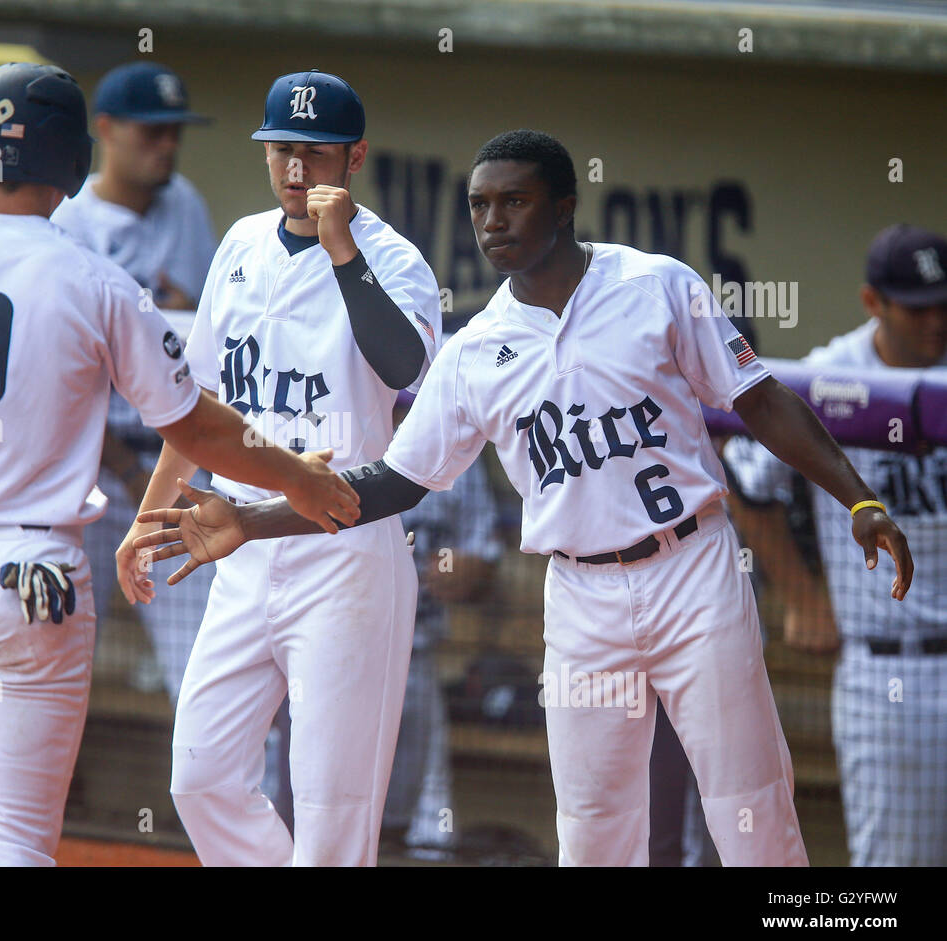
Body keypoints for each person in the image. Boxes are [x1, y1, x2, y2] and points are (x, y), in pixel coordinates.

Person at [133, 129, 916, 867]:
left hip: (692, 570)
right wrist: (252, 519)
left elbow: (758, 397)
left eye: (515, 201)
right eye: (479, 204)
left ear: (564, 207)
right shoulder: (476, 350)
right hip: (579, 594)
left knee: (749, 802)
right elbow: (395, 481)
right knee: (593, 824)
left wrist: (857, 499)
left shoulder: (657, 285)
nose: (493, 220)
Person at [0, 62, 357, 867]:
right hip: (29, 576)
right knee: (15, 843)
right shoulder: (95, 281)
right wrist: (299, 476)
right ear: (65, 162)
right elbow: (196, 424)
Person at [116, 69, 442, 866]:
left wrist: (342, 252)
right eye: (281, 151)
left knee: (334, 814)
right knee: (200, 778)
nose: (297, 171)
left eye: (316, 154)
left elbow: (404, 368)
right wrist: (145, 520)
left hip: (344, 551)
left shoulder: (395, 261)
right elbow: (196, 412)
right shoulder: (237, 245)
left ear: (354, 156)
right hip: (240, 551)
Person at [723, 224, 947, 866]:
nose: (936, 320)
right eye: (917, 306)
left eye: (944, 303)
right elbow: (743, 478)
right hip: (890, 669)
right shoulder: (829, 376)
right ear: (874, 302)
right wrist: (801, 596)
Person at [51, 61, 217, 701]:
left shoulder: (187, 205)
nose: (167, 145)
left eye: (174, 131)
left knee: (203, 668)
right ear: (106, 131)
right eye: (151, 132)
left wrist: (178, 311)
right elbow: (61, 383)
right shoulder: (66, 221)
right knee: (53, 655)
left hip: (176, 463)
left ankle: (218, 797)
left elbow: (210, 340)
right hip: (88, 467)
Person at [381, 390, 501, 856]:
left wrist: (441, 570)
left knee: (424, 806)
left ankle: (413, 841)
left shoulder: (455, 463)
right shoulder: (341, 448)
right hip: (343, 645)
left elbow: (484, 557)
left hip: (417, 648)